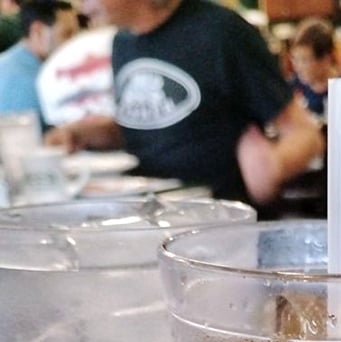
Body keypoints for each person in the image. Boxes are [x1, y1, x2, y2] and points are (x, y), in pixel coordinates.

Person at [45, 0, 324, 209]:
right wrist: (82, 134)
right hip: (146, 217)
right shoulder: (123, 42)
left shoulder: (222, 32)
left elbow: (305, 134)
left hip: (216, 226)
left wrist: (274, 167)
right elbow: (149, 127)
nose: (81, 5)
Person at [0, 0, 79, 122]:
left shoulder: (7, 63)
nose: (74, 43)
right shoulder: (31, 81)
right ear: (37, 31)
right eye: (67, 34)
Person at [288, 17, 341, 121]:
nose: (298, 67)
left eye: (304, 60)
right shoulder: (290, 91)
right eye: (295, 59)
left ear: (326, 58)